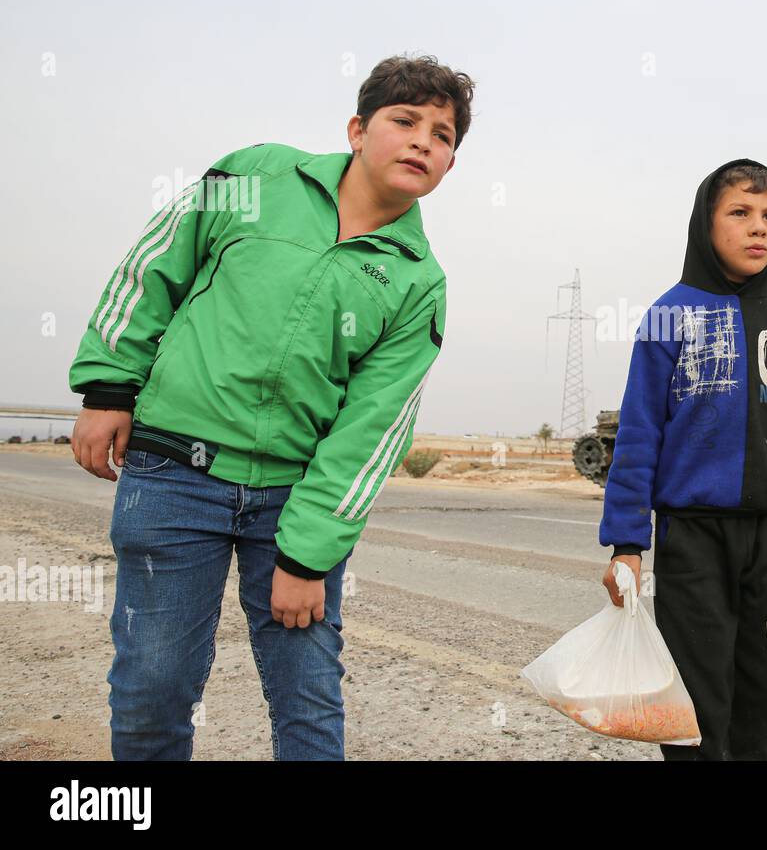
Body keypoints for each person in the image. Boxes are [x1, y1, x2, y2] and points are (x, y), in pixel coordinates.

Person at [67, 54, 474, 760]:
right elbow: (154, 265)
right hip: (171, 474)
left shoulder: (418, 282)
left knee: (307, 701)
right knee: (152, 690)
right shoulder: (256, 176)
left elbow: (371, 431)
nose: (422, 142)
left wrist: (307, 557)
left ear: (450, 164)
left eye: (442, 136)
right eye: (404, 121)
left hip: (291, 501)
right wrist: (108, 387)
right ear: (357, 130)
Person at [598, 157, 767, 760]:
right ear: (704, 224)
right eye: (739, 212)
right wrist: (627, 545)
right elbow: (639, 435)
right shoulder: (669, 316)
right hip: (693, 539)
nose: (758, 227)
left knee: (763, 695)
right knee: (696, 697)